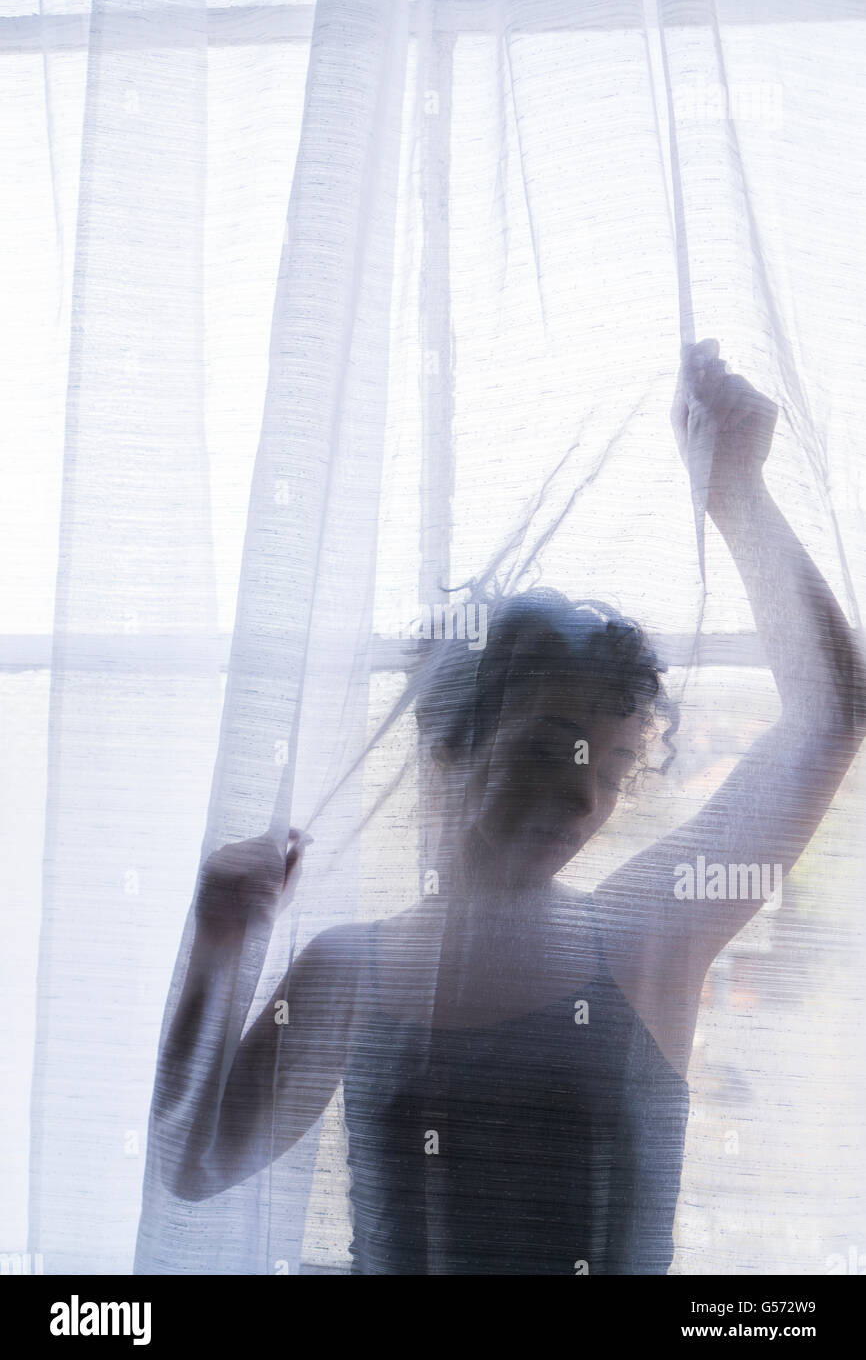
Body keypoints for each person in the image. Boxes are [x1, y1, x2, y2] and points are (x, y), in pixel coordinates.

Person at [148, 341, 866, 1274]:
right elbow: (195, 1167)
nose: (583, 794)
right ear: (446, 745)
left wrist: (736, 493)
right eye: (547, 748)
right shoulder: (346, 973)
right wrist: (214, 946)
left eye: (614, 765)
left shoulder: (647, 933)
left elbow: (828, 721)